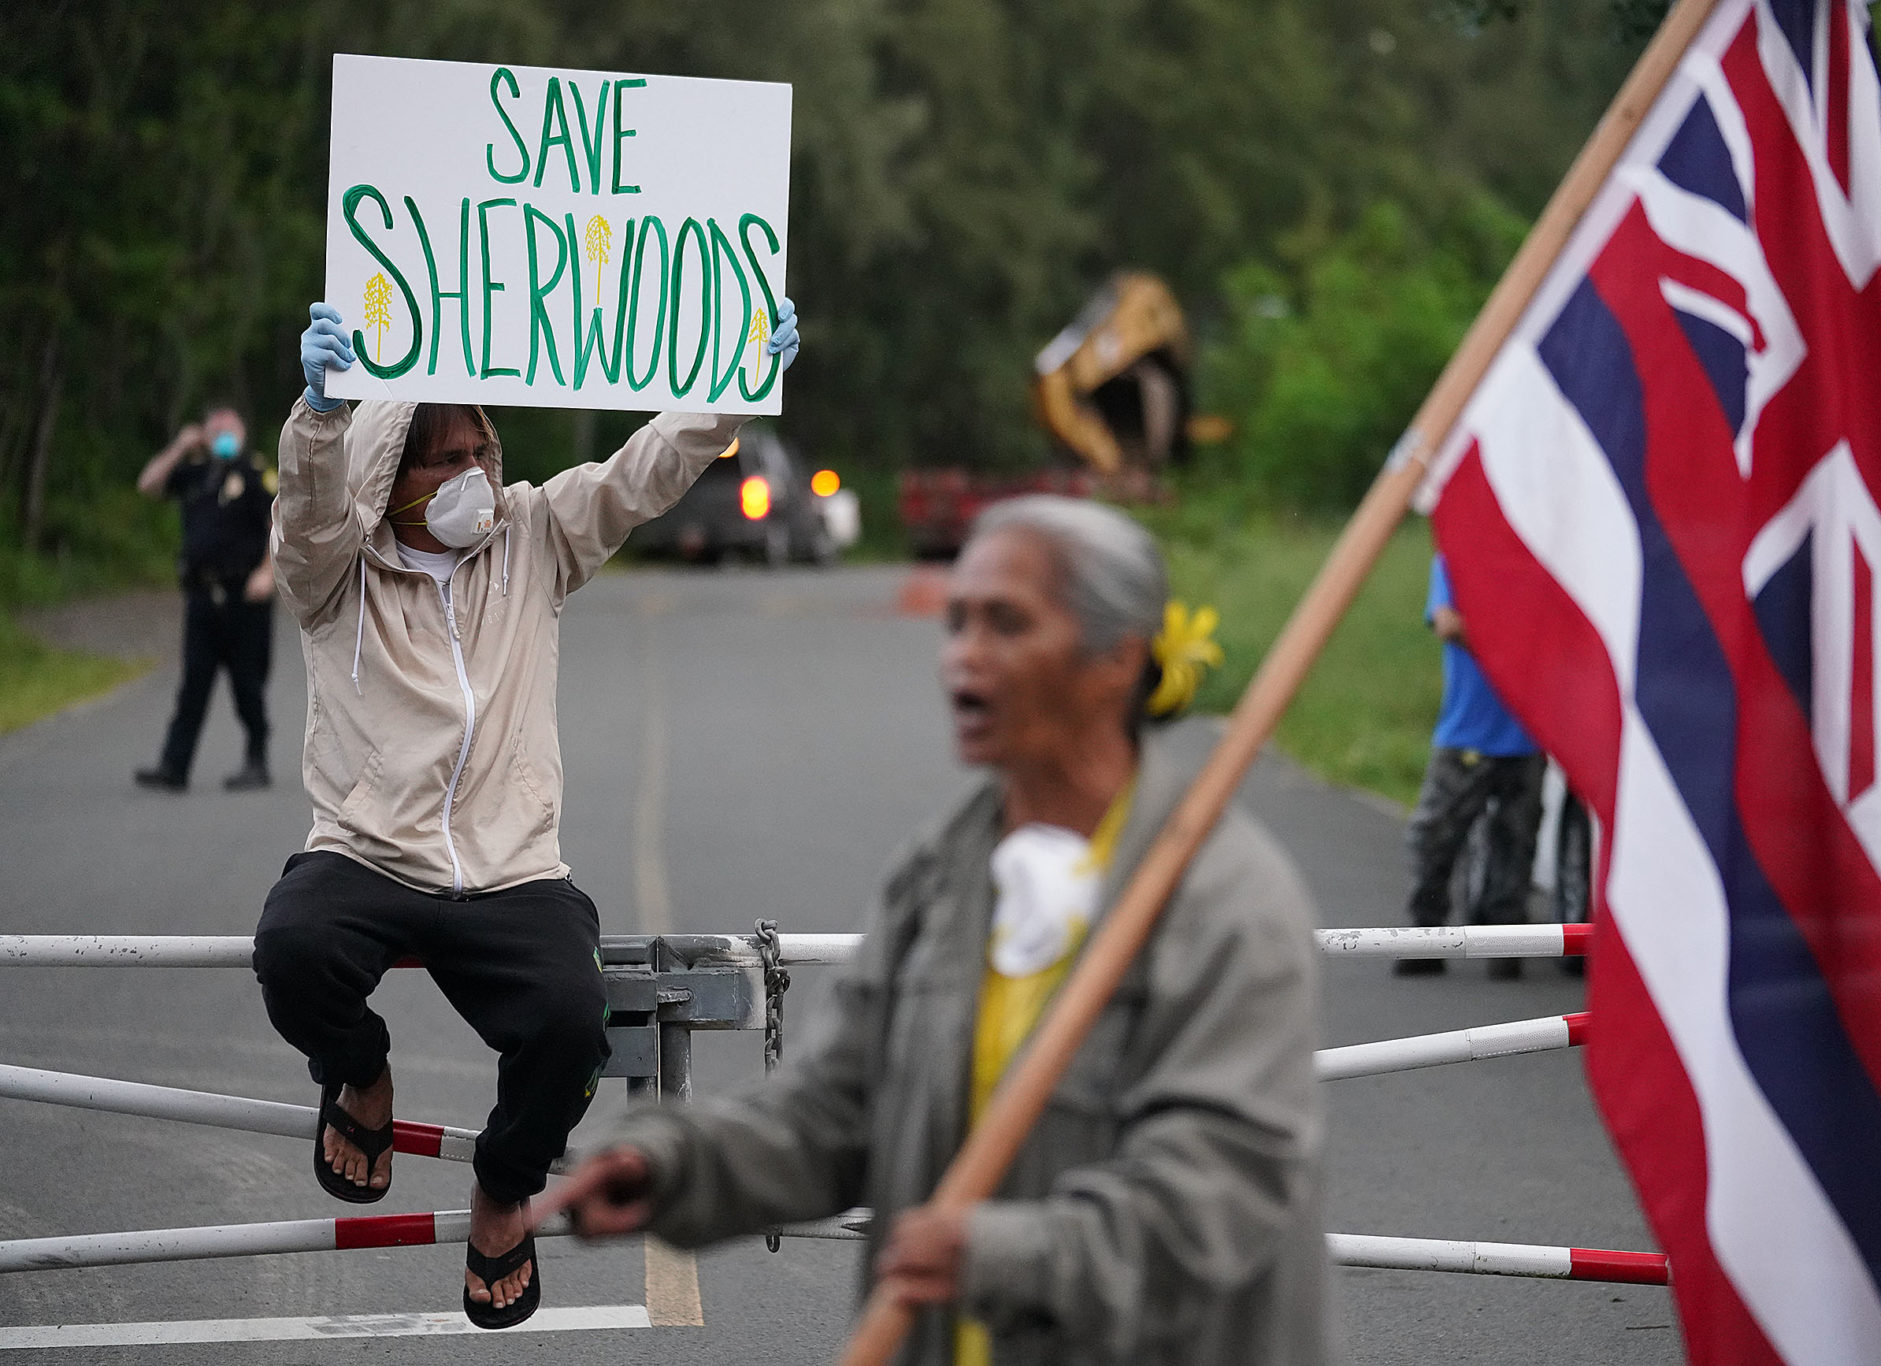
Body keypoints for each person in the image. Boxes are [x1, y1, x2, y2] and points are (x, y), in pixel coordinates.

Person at [546, 496, 1328, 1365]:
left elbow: (1217, 1194)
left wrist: (1000, 1257)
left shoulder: (1224, 902)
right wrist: (674, 1165)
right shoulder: (941, 875)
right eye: (957, 622)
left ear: (1118, 658)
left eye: (1007, 624)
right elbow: (833, 1115)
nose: (964, 654)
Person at [249, 299, 798, 1329]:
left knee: (570, 1022)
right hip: (371, 851)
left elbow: (640, 473)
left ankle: (504, 1188)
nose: (471, 474)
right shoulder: (335, 574)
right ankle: (360, 1076)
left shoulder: (535, 534)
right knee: (293, 949)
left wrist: (731, 390)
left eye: (477, 451)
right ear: (388, 478)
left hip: (513, 867)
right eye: (441, 459)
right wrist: (319, 418)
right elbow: (309, 517)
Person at [1396, 552, 1546, 980]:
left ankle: (1505, 944)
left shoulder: (1538, 557)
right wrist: (1514, 640)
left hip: (1525, 732)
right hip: (1467, 732)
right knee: (1434, 837)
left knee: (1515, 841)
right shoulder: (1456, 555)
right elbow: (1446, 623)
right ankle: (1425, 935)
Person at [133, 406, 277, 792]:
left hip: (244, 596)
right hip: (202, 595)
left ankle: (257, 760)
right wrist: (180, 447)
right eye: (215, 430)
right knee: (193, 685)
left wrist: (267, 572)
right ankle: (174, 767)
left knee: (248, 684)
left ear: (242, 432)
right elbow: (148, 485)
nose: (222, 436)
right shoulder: (196, 473)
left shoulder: (257, 473)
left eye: (229, 429)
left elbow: (277, 524)